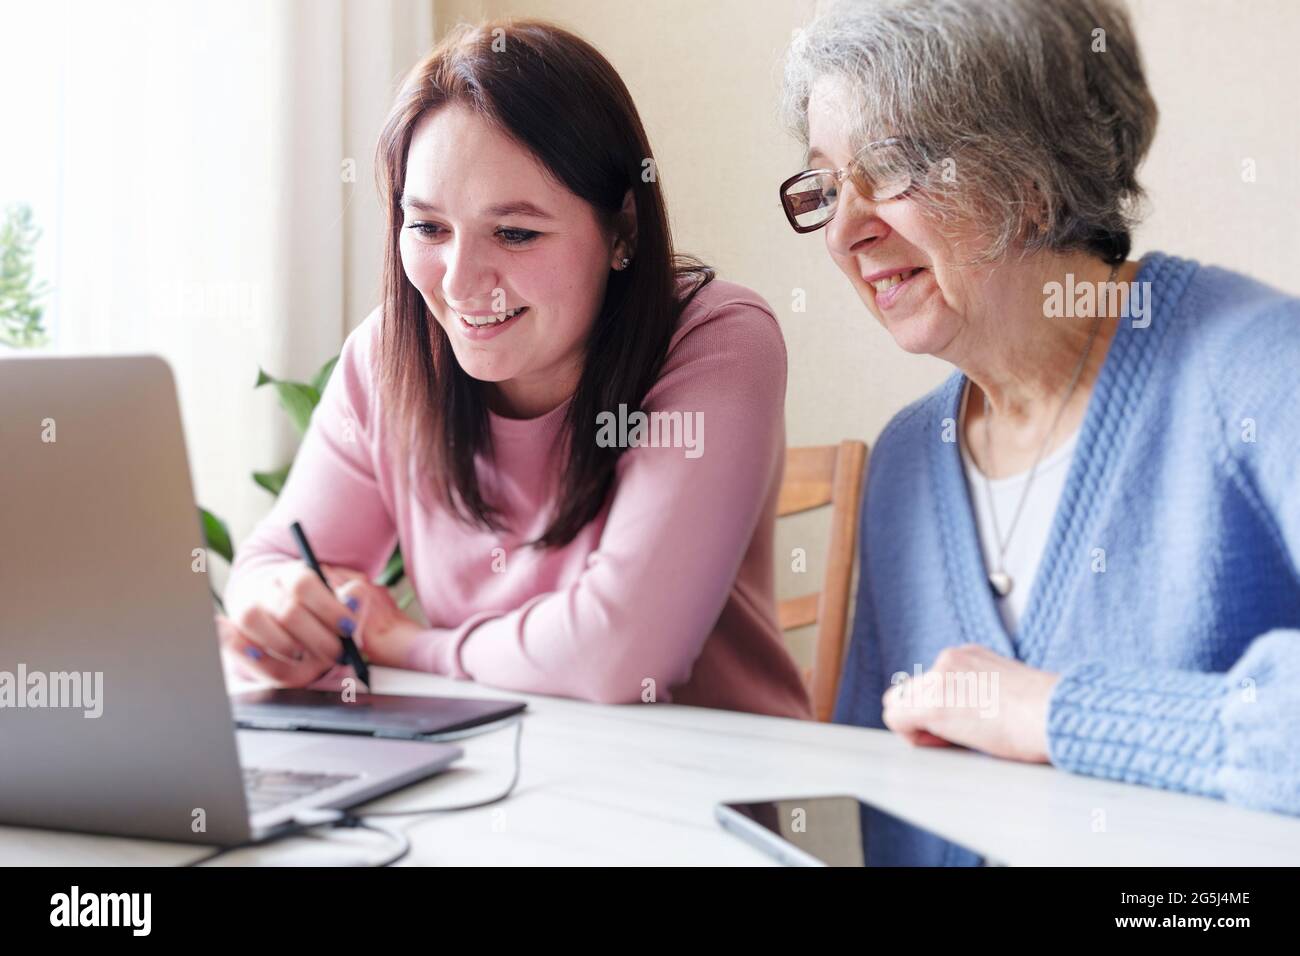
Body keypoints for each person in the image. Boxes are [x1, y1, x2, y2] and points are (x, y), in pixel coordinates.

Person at [778, 0, 1300, 845]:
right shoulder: (911, 458)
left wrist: (1055, 711)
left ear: (1031, 172)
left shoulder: (1261, 367)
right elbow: (872, 798)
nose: (843, 231)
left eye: (891, 166)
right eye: (827, 185)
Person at [218, 19, 811, 719]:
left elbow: (619, 653)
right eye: (429, 227)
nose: (462, 283)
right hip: (488, 781)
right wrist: (279, 608)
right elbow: (273, 565)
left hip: (693, 799)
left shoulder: (718, 337)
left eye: (516, 233)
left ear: (622, 231)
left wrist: (411, 645)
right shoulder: (388, 358)